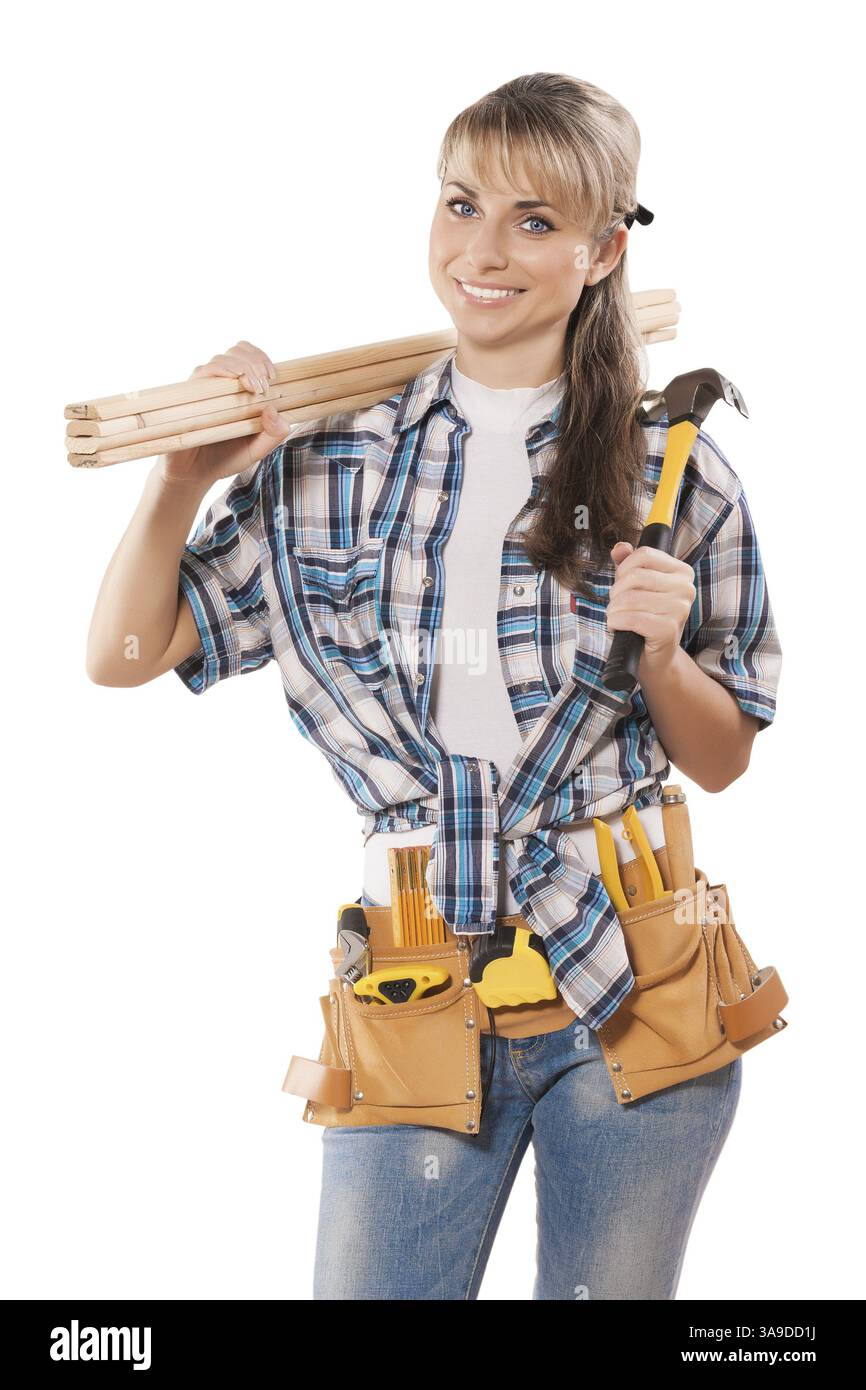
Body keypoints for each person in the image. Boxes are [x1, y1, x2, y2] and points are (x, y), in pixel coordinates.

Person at [86, 72, 782, 1300]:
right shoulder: (330, 460)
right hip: (414, 985)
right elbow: (124, 657)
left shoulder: (669, 469)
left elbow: (723, 756)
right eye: (461, 205)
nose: (483, 250)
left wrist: (664, 655)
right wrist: (179, 480)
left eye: (533, 220)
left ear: (602, 248)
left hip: (633, 980)